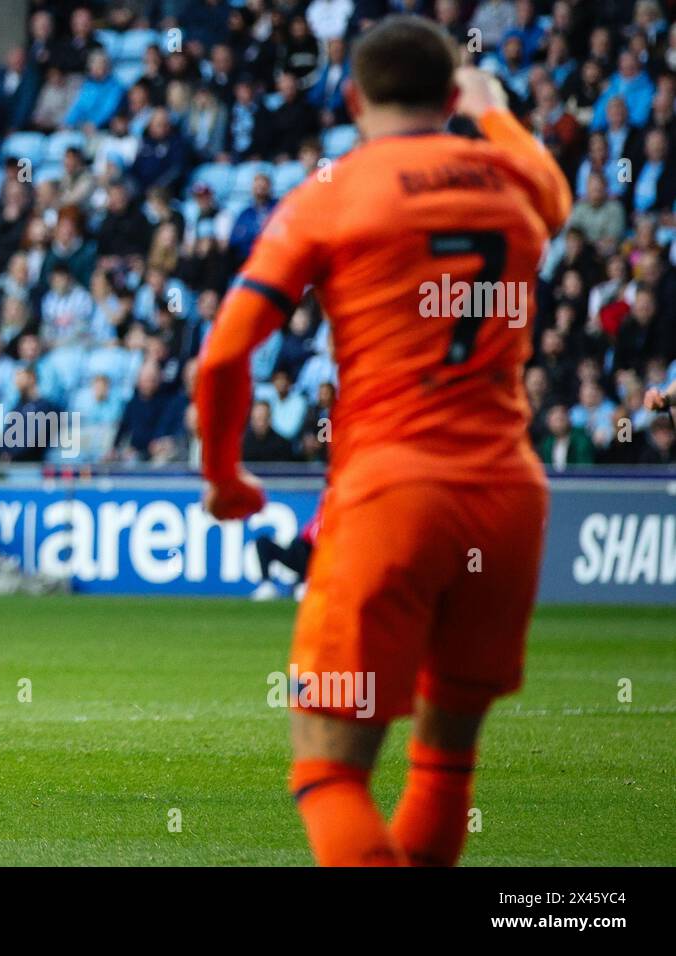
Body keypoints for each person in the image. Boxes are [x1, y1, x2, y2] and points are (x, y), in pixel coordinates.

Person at [194, 17, 571, 866]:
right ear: (450, 99)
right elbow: (557, 191)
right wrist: (496, 111)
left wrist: (224, 477)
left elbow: (222, 355)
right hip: (509, 500)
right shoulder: (511, 179)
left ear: (354, 98)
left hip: (393, 494)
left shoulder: (336, 191)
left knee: (329, 771)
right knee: (445, 761)